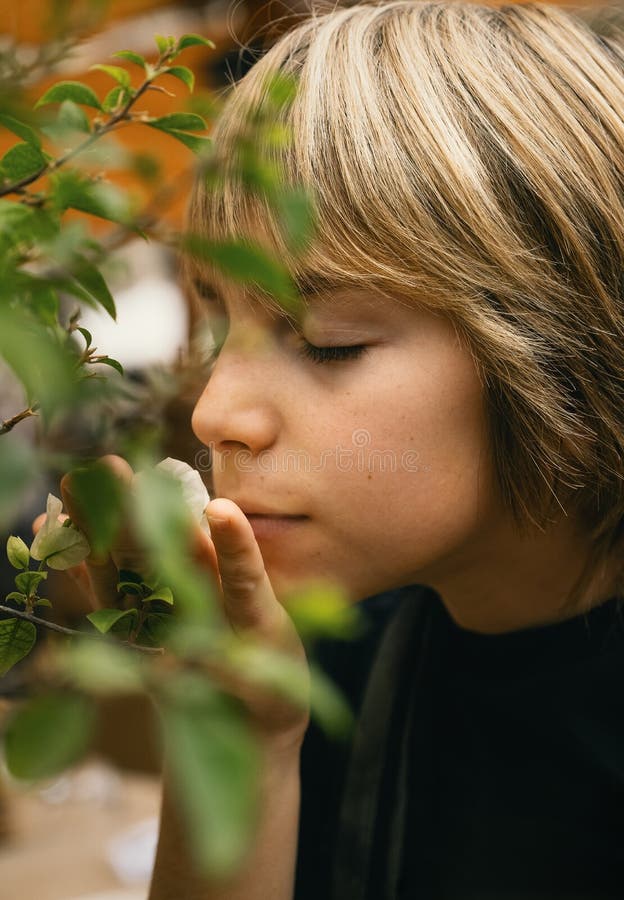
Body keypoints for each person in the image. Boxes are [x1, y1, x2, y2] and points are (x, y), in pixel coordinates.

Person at [68, 2, 624, 898]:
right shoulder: (321, 653)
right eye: (220, 325)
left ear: (561, 343)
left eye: (328, 342)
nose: (215, 413)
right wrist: (240, 738)